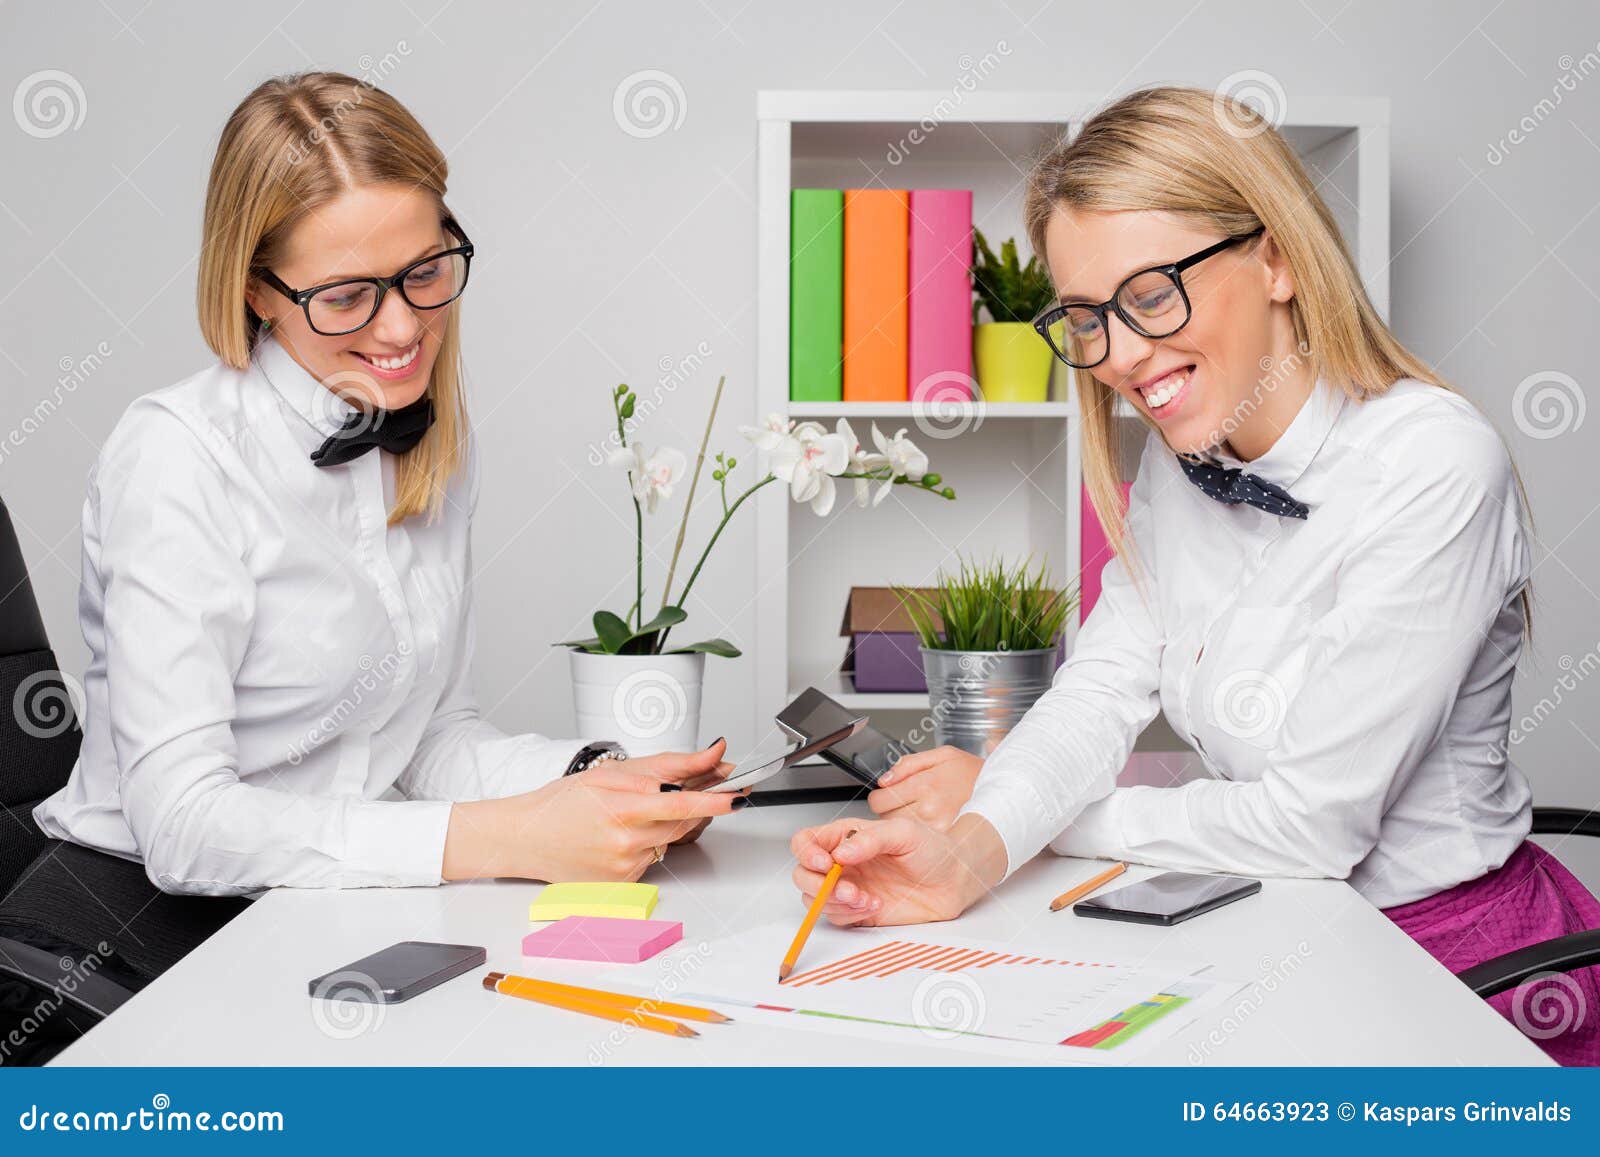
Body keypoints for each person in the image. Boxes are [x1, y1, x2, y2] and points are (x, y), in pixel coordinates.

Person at [792, 85, 1599, 1066]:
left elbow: (1310, 826)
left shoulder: (1429, 462)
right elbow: (1096, 694)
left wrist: (1041, 825)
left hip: (1465, 972)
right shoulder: (1181, 465)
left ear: (1274, 258)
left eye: (1150, 294)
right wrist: (969, 849)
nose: (1121, 356)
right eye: (1086, 318)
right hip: (1276, 926)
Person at [31, 71, 739, 902]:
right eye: (346, 296)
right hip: (133, 919)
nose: (402, 327)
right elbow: (183, 827)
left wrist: (603, 782)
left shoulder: (435, 439)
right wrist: (506, 835)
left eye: (426, 271)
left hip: (316, 904)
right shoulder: (177, 457)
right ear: (256, 290)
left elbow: (429, 738)